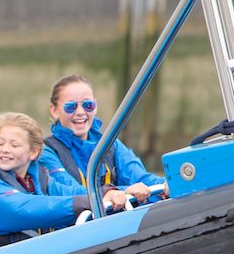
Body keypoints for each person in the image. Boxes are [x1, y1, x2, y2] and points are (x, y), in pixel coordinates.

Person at [0, 112, 128, 246]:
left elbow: (70, 192)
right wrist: (89, 202)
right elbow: (26, 209)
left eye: (14, 145)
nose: (5, 150)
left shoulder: (38, 177)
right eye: (0, 144)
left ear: (33, 152)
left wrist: (109, 192)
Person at [40, 74, 168, 203]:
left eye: (88, 105)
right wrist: (112, 192)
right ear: (54, 110)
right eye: (70, 106)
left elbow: (139, 177)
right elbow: (68, 191)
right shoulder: (47, 152)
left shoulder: (110, 144)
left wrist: (165, 184)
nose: (80, 112)